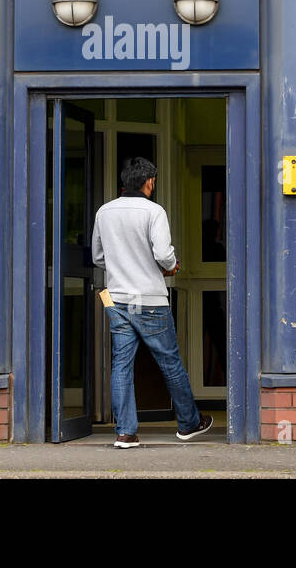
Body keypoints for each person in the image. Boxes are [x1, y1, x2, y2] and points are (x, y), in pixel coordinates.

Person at [92, 156, 213, 449]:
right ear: (149, 182)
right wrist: (172, 265)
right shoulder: (154, 211)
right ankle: (188, 423)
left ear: (124, 181)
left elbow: (97, 257)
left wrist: (122, 267)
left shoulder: (104, 212)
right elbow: (163, 254)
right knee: (170, 363)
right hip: (150, 301)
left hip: (118, 300)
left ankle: (125, 432)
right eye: (154, 182)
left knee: (121, 365)